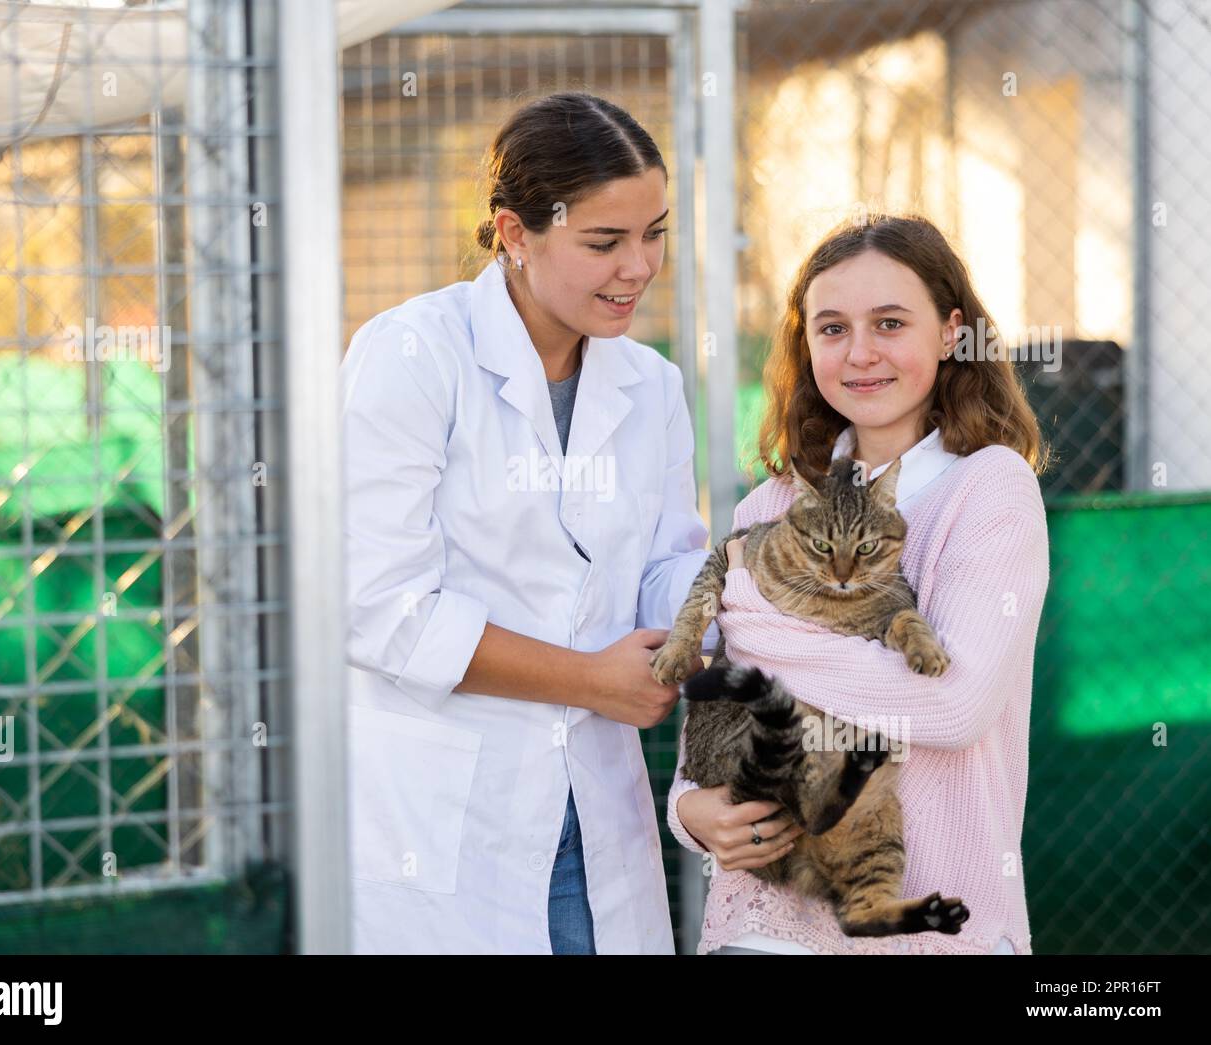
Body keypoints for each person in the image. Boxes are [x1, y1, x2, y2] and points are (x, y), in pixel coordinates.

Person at [340, 91, 716, 954]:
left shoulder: (650, 385)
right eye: (604, 242)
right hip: (448, 821)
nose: (640, 266)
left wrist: (734, 605)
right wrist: (590, 679)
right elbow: (381, 608)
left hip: (595, 819)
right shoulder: (411, 357)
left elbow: (663, 566)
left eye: (654, 231)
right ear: (514, 233)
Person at [667, 213, 1049, 955]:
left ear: (950, 332)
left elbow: (951, 701)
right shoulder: (771, 504)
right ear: (805, 342)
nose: (861, 353)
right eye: (833, 328)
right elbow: (714, 706)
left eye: (891, 323)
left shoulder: (988, 489)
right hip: (765, 931)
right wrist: (691, 810)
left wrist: (752, 608)